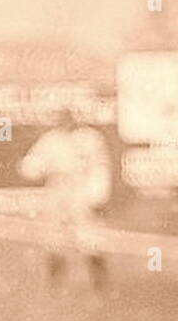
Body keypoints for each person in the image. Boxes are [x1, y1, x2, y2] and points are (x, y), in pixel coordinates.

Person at [18, 108, 111, 289]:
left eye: (69, 117)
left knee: (88, 234)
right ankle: (56, 280)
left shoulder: (90, 138)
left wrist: (97, 193)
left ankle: (98, 279)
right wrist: (31, 166)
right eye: (62, 118)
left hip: (81, 188)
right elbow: (34, 164)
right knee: (54, 233)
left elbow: (100, 167)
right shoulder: (51, 139)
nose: (66, 121)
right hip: (58, 187)